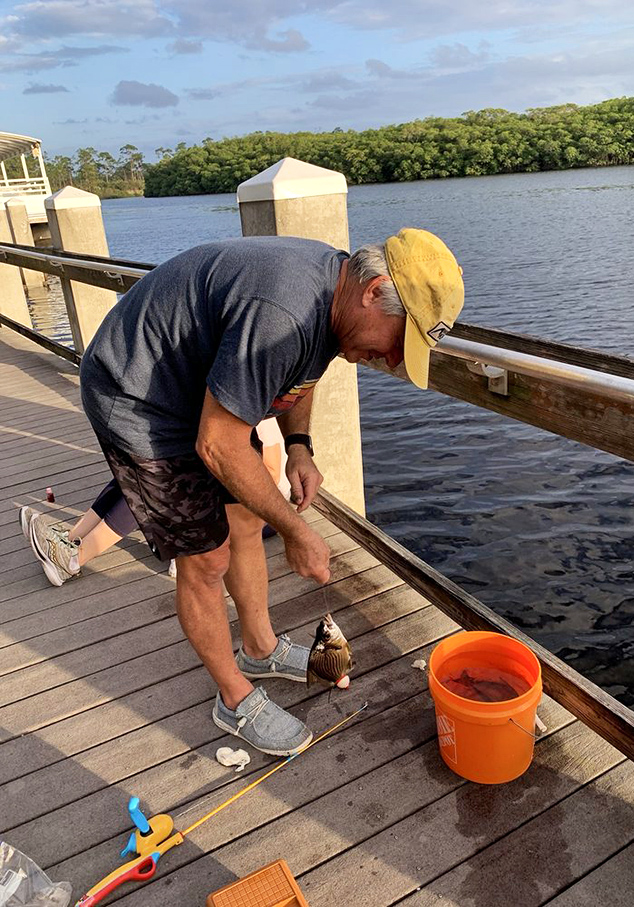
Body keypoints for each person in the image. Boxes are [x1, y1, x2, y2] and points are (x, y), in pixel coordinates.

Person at [30, 228, 464, 756]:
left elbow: (303, 371)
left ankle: (259, 648)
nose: (394, 359)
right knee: (206, 558)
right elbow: (218, 443)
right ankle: (233, 698)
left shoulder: (336, 294)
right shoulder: (283, 309)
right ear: (374, 291)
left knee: (243, 522)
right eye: (399, 341)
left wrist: (300, 446)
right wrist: (297, 530)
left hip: (201, 390)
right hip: (138, 394)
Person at [23, 423, 289, 586]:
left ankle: (72, 561)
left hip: (259, 514)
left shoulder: (260, 412)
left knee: (157, 486)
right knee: (135, 476)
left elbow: (270, 475)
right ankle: (71, 540)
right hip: (228, 499)